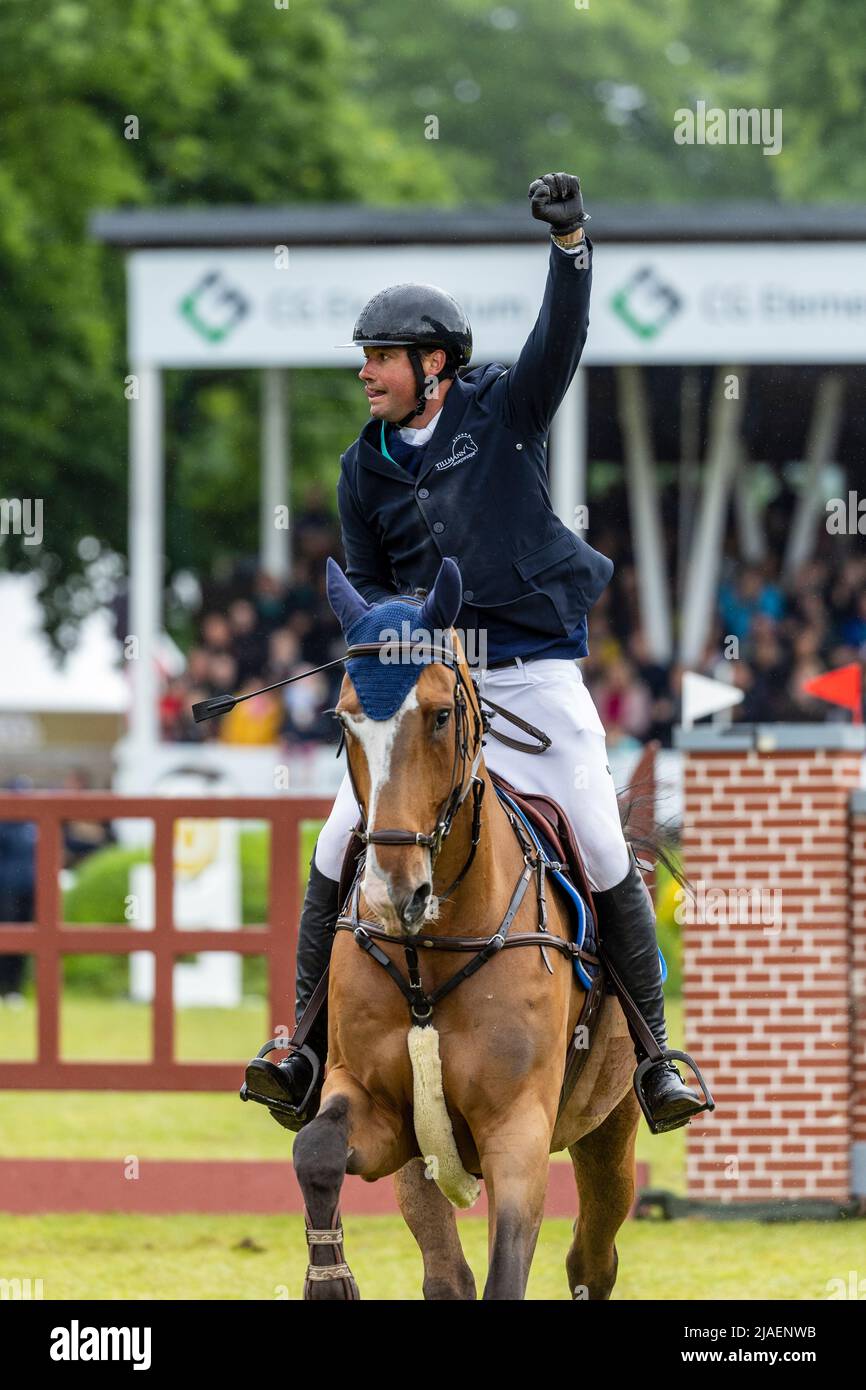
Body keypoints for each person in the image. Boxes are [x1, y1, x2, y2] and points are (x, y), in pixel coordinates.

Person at [242, 173, 705, 1135]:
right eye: (364, 357)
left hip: (533, 668)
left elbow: (561, 340)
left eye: (383, 357)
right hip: (426, 685)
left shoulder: (502, 408)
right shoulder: (361, 466)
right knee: (337, 839)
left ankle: (656, 1055)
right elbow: (366, 593)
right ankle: (299, 1043)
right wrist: (386, 653)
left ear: (437, 364)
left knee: (602, 830)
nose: (367, 373)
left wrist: (571, 241)